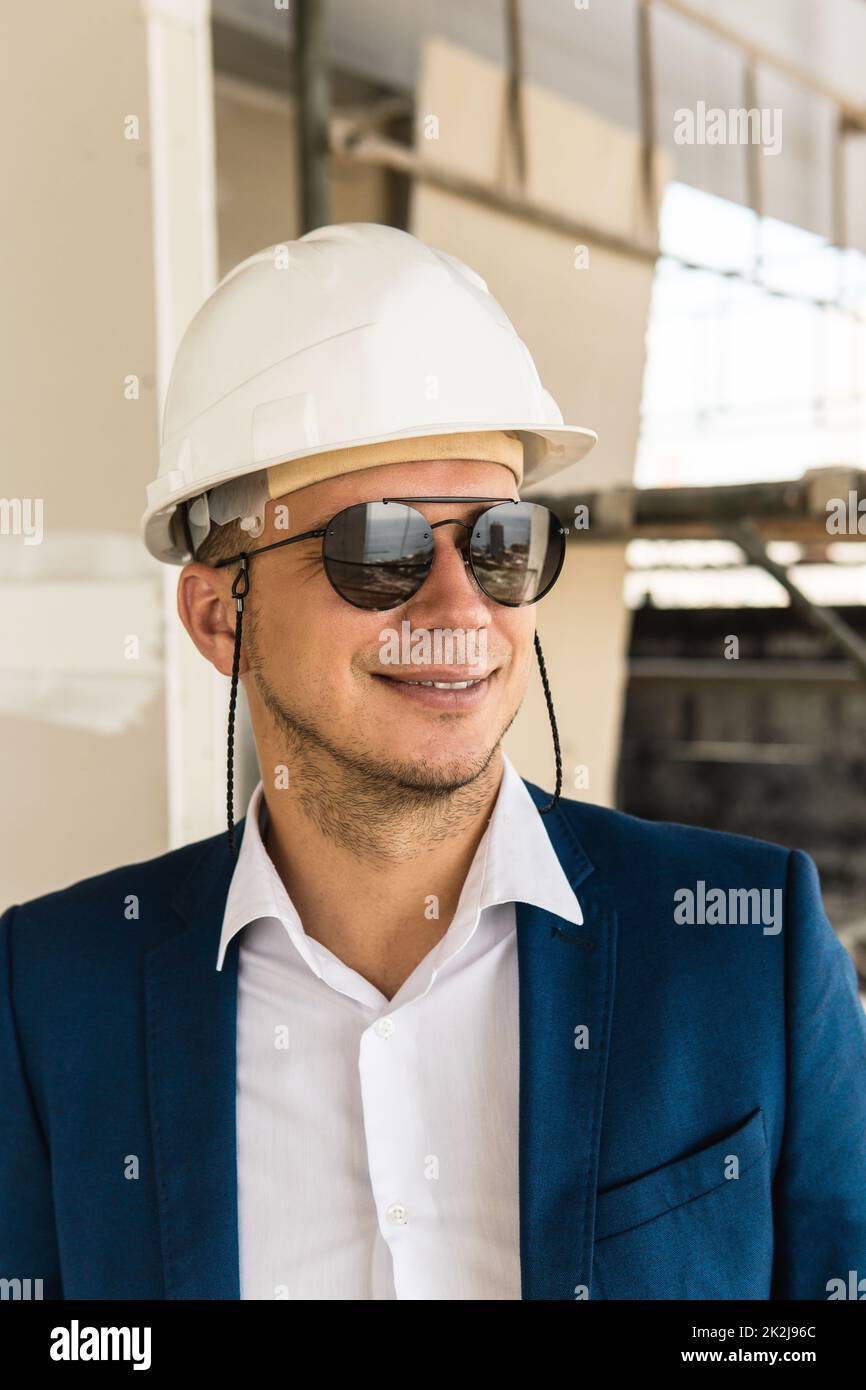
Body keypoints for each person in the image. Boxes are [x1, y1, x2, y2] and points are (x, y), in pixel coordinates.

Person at [2, 224, 865, 1301]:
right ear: (221, 614)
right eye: (379, 548)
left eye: (500, 542)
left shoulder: (746, 952)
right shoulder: (51, 995)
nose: (460, 607)